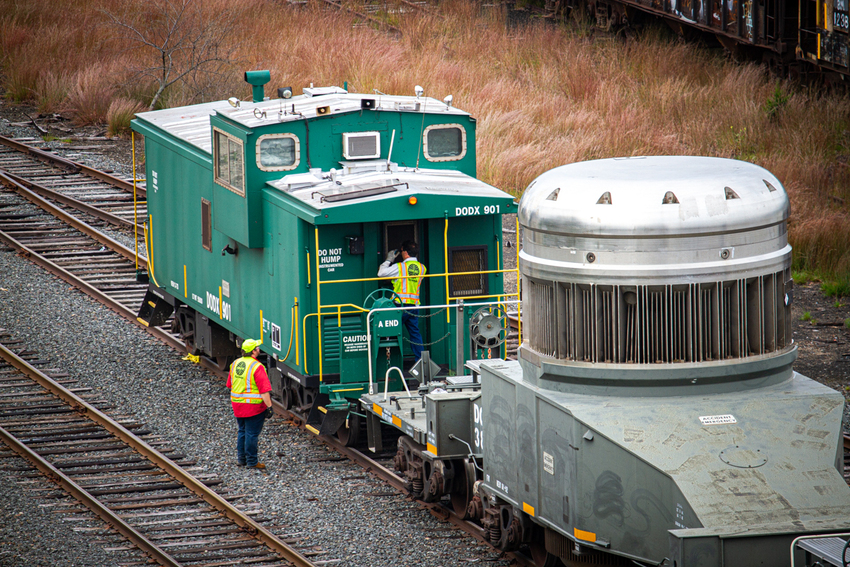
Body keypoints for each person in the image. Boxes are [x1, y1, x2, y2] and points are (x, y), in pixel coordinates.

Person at [227, 338, 273, 469]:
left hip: (237, 404)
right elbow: (264, 390)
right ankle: (252, 462)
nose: (259, 349)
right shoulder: (257, 367)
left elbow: (229, 384)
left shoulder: (235, 363)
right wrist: (269, 407)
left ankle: (241, 459)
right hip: (253, 407)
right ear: (253, 351)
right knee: (251, 434)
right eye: (257, 348)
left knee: (242, 431)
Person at [378, 240, 427, 360]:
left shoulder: (400, 267)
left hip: (399, 306)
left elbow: (381, 273)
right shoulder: (422, 268)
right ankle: (420, 362)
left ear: (405, 252)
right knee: (415, 334)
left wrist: (389, 259)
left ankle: (389, 361)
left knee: (389, 331)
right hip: (414, 306)